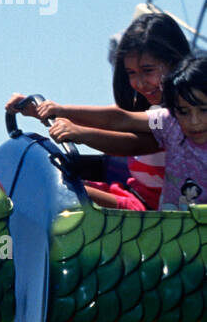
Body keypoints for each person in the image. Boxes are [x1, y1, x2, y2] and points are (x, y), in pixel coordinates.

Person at [6, 11, 191, 209]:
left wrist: (78, 130)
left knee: (56, 193)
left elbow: (133, 141)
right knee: (38, 183)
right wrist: (44, 111)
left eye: (148, 71)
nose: (140, 83)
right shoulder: (150, 111)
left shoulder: (186, 116)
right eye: (131, 73)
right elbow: (114, 119)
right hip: (131, 193)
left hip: (157, 213)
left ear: (174, 63)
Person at [61, 56, 207, 211]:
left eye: (204, 110)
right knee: (66, 192)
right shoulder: (169, 122)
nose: (194, 121)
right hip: (168, 228)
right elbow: (121, 119)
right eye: (184, 111)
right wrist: (62, 112)